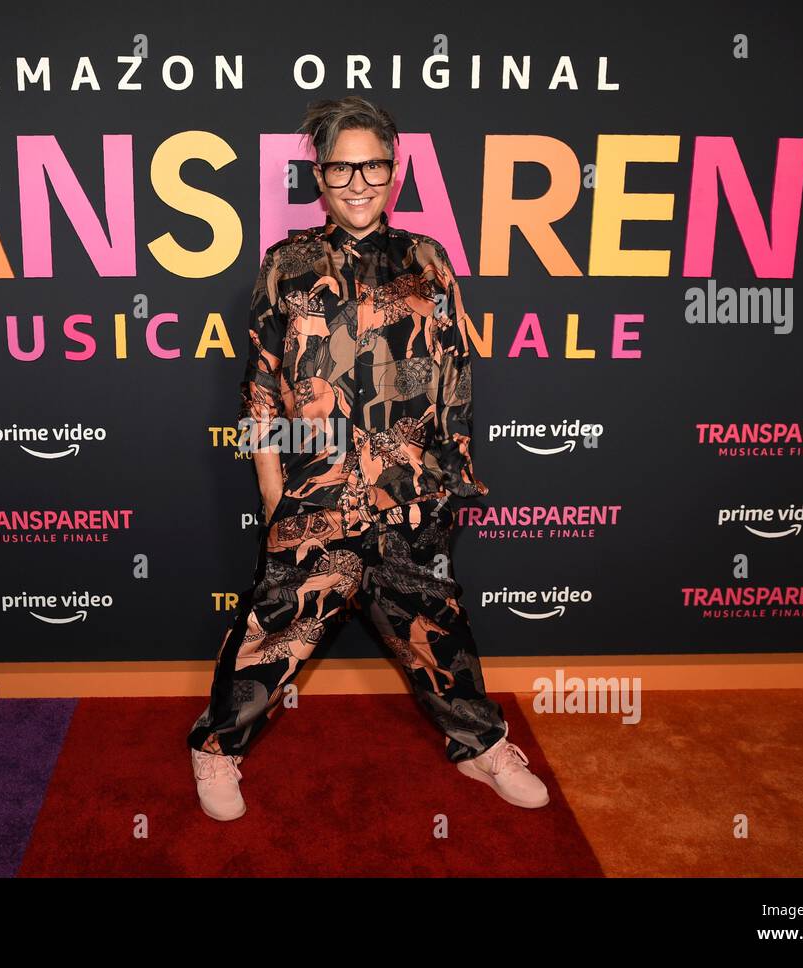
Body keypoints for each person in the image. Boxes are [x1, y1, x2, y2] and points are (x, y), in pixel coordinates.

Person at [186, 96, 548, 821]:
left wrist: (447, 479)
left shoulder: (428, 260)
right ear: (318, 176)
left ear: (395, 169)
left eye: (372, 164)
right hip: (316, 491)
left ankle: (482, 746)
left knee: (437, 628)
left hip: (410, 489)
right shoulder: (286, 267)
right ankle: (216, 750)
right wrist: (270, 488)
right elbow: (262, 386)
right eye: (341, 166)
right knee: (276, 628)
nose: (358, 181)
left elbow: (454, 375)